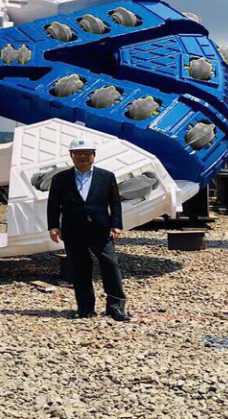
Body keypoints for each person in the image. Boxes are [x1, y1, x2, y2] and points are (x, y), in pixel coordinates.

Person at [47, 138, 130, 321]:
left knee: (110, 265)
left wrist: (116, 224)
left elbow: (114, 202)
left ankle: (116, 307)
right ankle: (85, 308)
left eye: (86, 153)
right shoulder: (60, 178)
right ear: (71, 156)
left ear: (94, 155)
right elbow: (53, 204)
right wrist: (53, 226)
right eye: (78, 153)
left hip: (100, 229)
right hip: (73, 230)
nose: (82, 156)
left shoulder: (106, 176)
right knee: (79, 268)